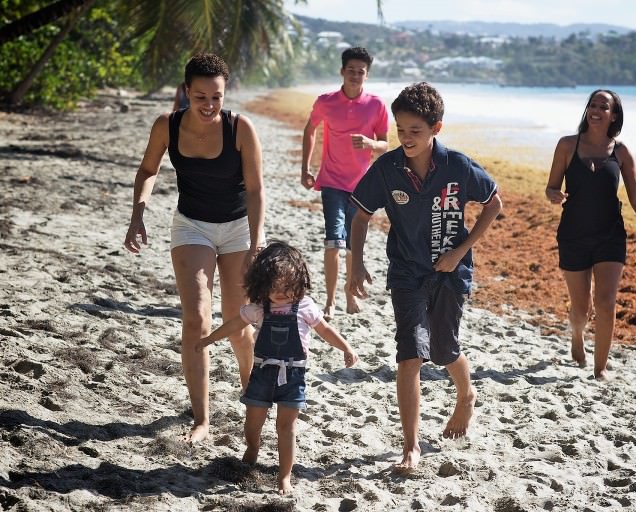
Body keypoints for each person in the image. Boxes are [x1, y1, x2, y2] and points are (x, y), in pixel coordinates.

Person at [347, 82, 503, 472]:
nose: (406, 138)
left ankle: (466, 394)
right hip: (406, 273)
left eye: (415, 130)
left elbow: (493, 203)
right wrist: (356, 263)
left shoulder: (458, 165)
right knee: (410, 354)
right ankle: (411, 447)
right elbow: (362, 215)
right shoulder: (386, 169)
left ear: (436, 128)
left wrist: (460, 250)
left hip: (452, 274)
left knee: (444, 349)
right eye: (400, 130)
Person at [124, 53, 266, 443]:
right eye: (200, 96)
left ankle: (250, 386)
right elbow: (147, 170)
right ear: (187, 91)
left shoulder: (241, 128)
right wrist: (138, 214)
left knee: (238, 324)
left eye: (216, 97)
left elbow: (255, 189)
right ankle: (201, 419)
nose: (208, 105)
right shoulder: (167, 126)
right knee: (196, 319)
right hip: (191, 226)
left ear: (225, 93)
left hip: (238, 229)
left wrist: (256, 242)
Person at [195, 241, 358, 494]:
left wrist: (346, 347)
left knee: (286, 427)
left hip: (293, 375)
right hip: (262, 373)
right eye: (274, 286)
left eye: (288, 286)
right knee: (253, 422)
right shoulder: (260, 308)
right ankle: (252, 447)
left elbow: (325, 330)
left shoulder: (305, 306)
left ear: (299, 282)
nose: (281, 292)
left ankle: (284, 477)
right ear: (263, 283)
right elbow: (234, 324)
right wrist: (209, 339)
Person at [545, 89, 636, 381]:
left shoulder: (621, 152)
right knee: (581, 309)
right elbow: (551, 186)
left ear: (613, 115)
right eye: (592, 104)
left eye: (603, 106)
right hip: (573, 235)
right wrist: (554, 195)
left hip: (610, 236)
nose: (595, 110)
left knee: (605, 302)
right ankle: (577, 335)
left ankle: (600, 367)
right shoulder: (567, 145)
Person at [301, 46, 389, 321]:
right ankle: (329, 302)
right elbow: (310, 129)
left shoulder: (376, 105)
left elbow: (385, 144)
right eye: (350, 70)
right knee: (333, 243)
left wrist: (370, 143)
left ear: (367, 74)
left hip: (362, 187)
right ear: (342, 71)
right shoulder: (326, 102)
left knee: (354, 246)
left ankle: (350, 295)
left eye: (360, 72)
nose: (355, 75)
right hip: (332, 183)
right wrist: (305, 167)